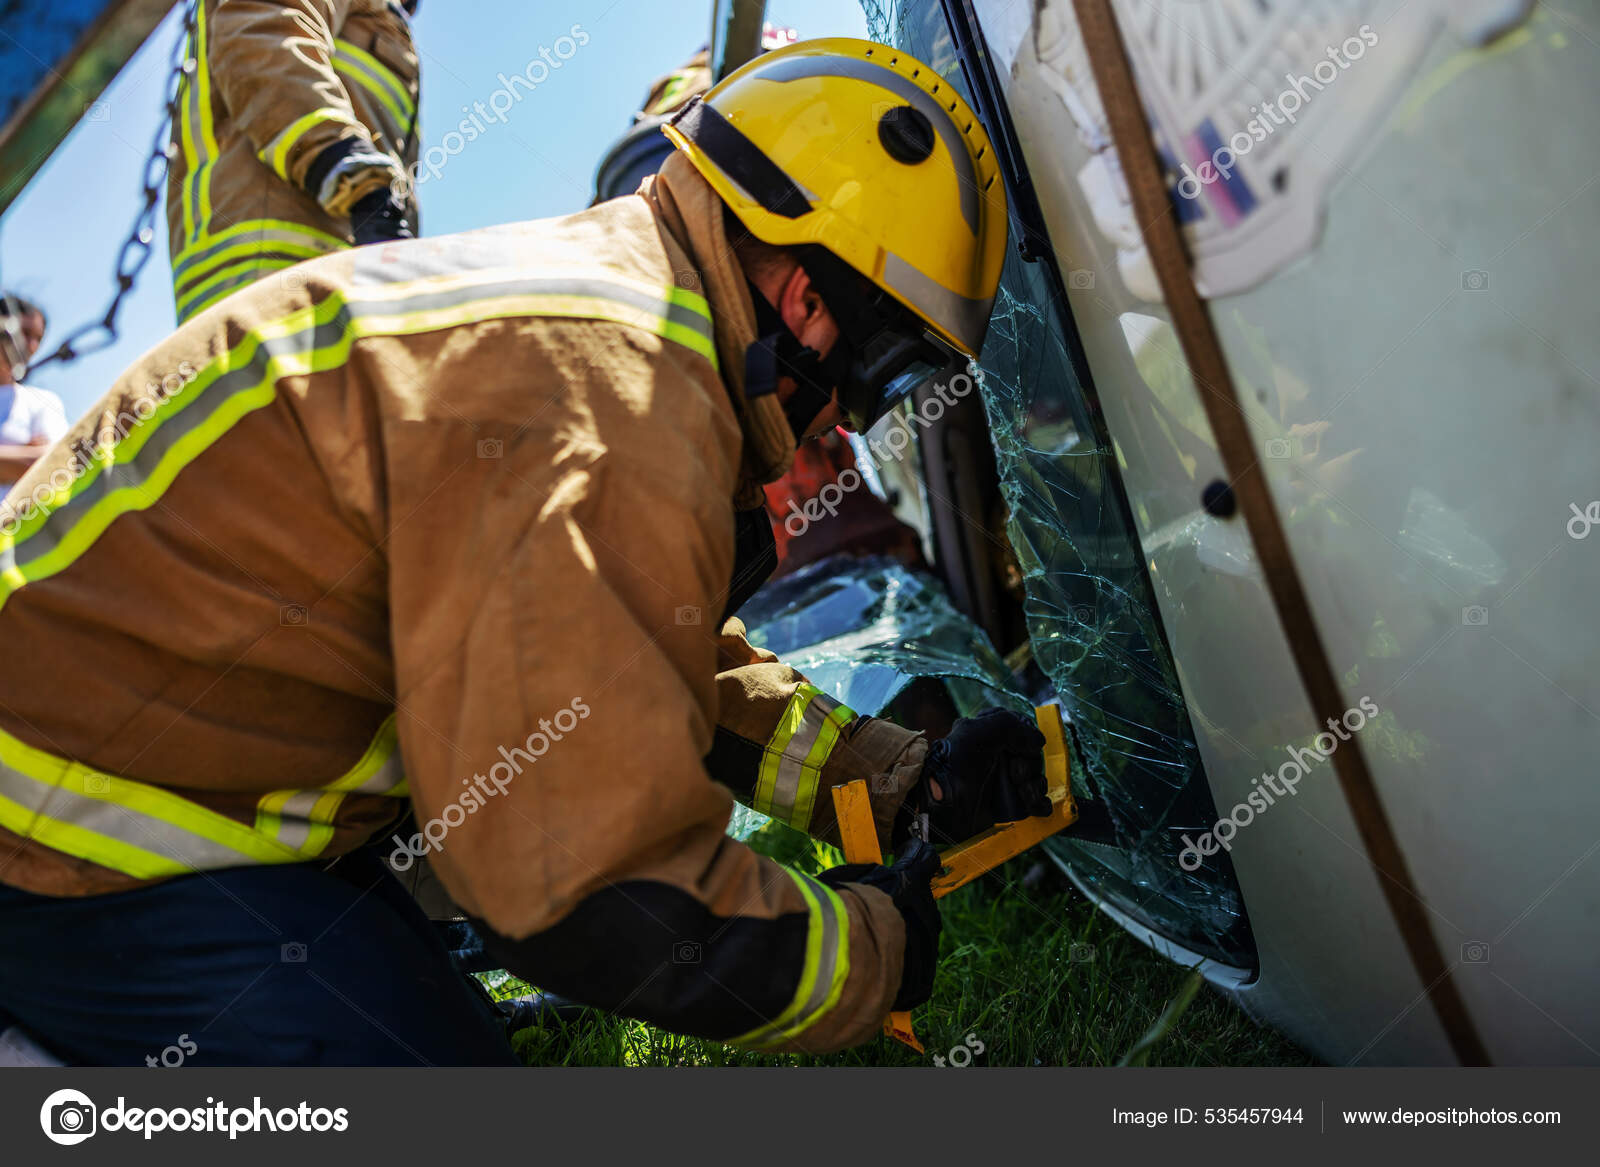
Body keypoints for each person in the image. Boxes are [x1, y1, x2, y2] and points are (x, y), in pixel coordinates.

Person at [0, 37, 1043, 1065]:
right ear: (812, 307)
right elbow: (579, 883)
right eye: (883, 380)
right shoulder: (617, 393)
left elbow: (617, 656)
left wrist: (898, 778)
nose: (850, 430)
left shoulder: (606, 314)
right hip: (62, 848)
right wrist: (871, 950)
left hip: (177, 796)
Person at [167, 0, 421, 324]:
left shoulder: (385, 20)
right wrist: (356, 178)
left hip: (324, 264)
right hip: (274, 258)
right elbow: (264, 39)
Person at [0, 295, 67, 485]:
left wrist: (33, 460)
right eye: (25, 333)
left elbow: (55, 465)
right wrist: (20, 454)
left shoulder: (40, 402)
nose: (31, 346)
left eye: (38, 339)